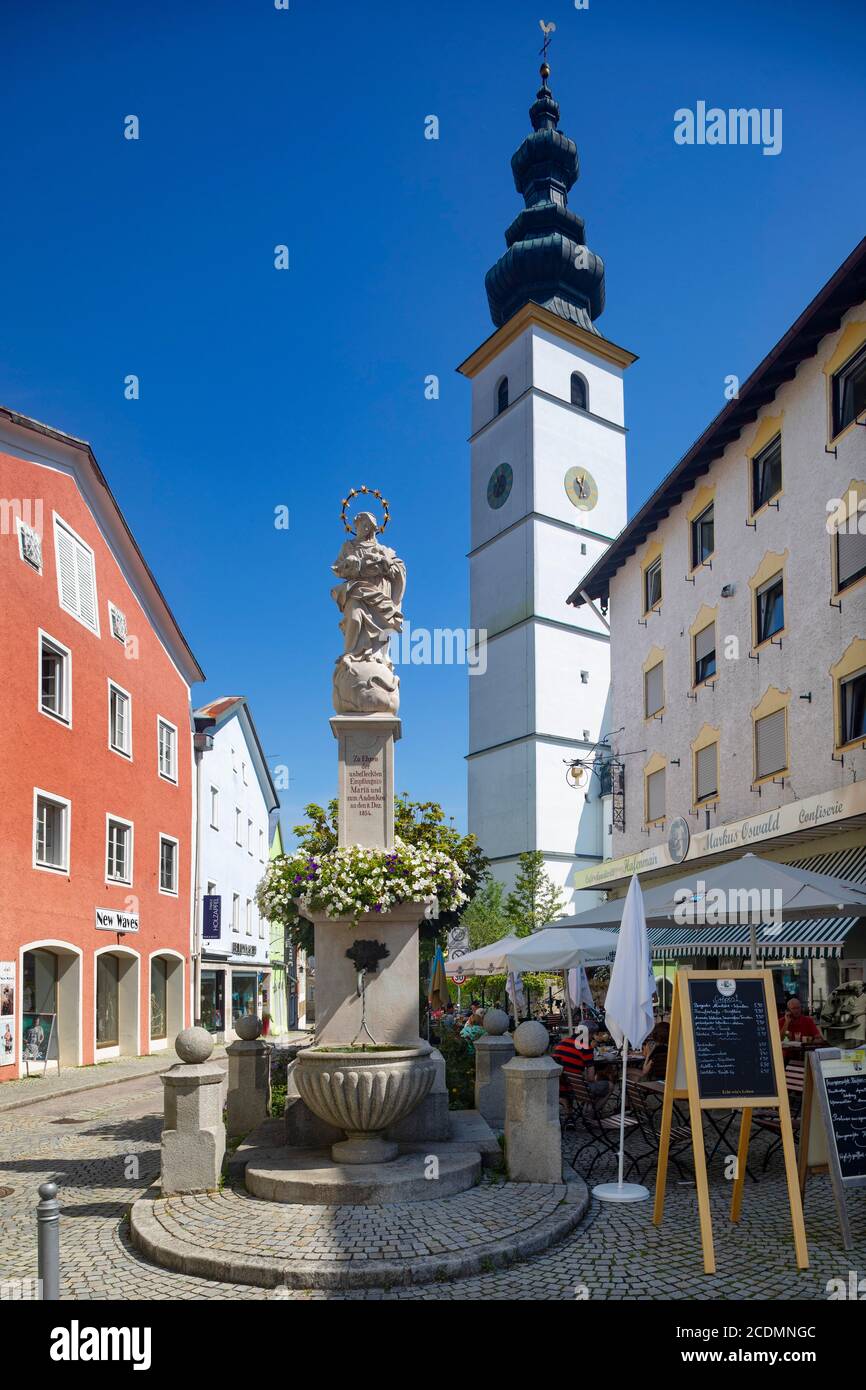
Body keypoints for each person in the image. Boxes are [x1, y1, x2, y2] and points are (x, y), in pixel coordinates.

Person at [552, 1028, 594, 1116]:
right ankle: (591, 1115)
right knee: (609, 1086)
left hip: (558, 1085)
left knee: (572, 1079)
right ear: (588, 1034)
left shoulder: (562, 1042)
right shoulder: (585, 1047)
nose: (592, 1037)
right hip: (574, 1089)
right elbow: (591, 1078)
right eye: (592, 1034)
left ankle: (569, 1115)